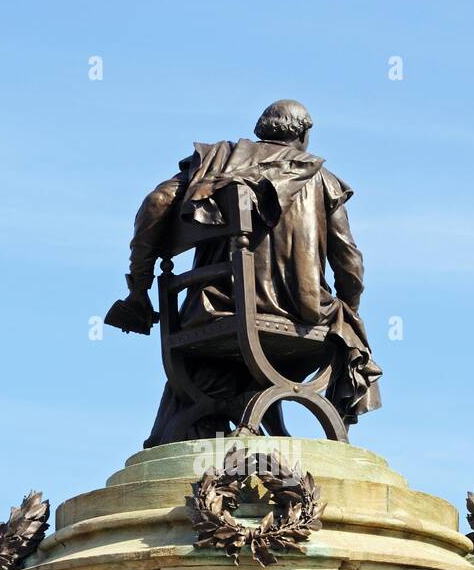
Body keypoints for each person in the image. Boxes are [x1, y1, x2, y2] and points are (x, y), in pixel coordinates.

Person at [109, 100, 382, 447]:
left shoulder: (216, 163)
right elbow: (349, 263)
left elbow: (157, 202)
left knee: (212, 371)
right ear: (304, 134)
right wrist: (351, 306)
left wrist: (139, 290)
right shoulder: (320, 179)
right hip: (301, 314)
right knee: (348, 325)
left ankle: (206, 421)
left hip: (209, 312)